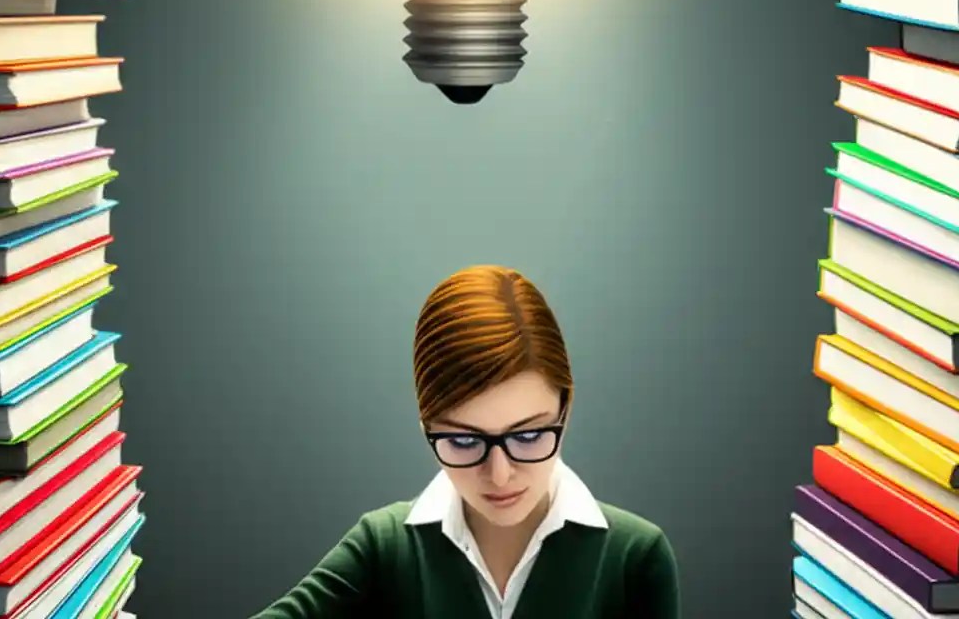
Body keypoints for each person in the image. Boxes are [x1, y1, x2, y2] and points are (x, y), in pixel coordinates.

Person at [250, 264, 680, 618]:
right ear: (426, 428)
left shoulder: (634, 559)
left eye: (529, 435)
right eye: (463, 442)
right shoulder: (384, 548)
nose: (499, 474)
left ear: (565, 411)